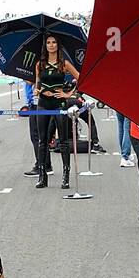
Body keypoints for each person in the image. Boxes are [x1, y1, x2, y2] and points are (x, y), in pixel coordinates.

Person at [31, 35, 80, 189]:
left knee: (64, 141)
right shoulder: (40, 64)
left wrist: (68, 94)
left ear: (58, 46)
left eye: (54, 43)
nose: (51, 45)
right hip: (43, 104)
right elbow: (37, 84)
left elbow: (80, 78)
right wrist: (37, 90)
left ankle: (66, 177)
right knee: (42, 141)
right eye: (48, 43)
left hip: (60, 104)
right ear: (45, 46)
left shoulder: (64, 64)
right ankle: (42, 176)